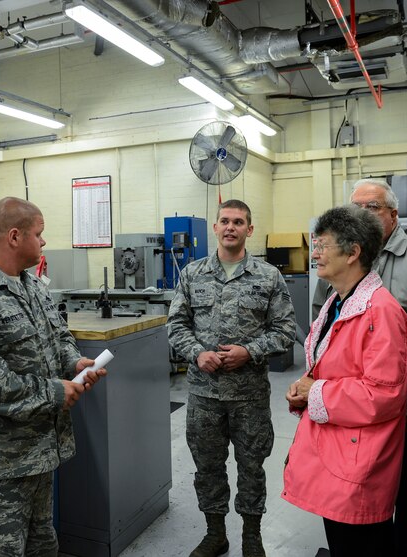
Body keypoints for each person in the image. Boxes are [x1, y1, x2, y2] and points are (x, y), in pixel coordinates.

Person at [0, 197, 106, 556]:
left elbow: (58, 338)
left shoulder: (32, 287)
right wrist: (53, 392)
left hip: (36, 459)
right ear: (15, 236)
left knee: (41, 547)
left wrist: (74, 363)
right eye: (39, 234)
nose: (43, 242)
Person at [312, 179, 407, 557]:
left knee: (405, 494)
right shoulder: (347, 259)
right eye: (356, 207)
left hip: (399, 410)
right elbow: (323, 323)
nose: (361, 213)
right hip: (351, 407)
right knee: (357, 494)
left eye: (371, 208)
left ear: (393, 214)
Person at [167, 199, 296, 557]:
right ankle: (215, 534)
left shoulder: (268, 276)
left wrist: (249, 351)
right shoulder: (193, 274)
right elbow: (176, 325)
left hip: (249, 396)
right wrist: (197, 352)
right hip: (204, 396)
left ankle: (251, 537)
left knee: (252, 467)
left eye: (238, 222)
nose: (230, 227)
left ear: (249, 230)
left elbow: (286, 331)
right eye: (224, 221)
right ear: (215, 227)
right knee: (208, 467)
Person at [283, 205, 407, 557]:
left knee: (362, 544)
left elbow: (383, 394)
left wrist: (318, 391)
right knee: (342, 541)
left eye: (323, 246)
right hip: (338, 449)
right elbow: (336, 366)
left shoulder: (380, 311)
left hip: (360, 458)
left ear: (353, 252)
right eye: (315, 244)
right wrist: (306, 389)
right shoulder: (337, 303)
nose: (315, 253)